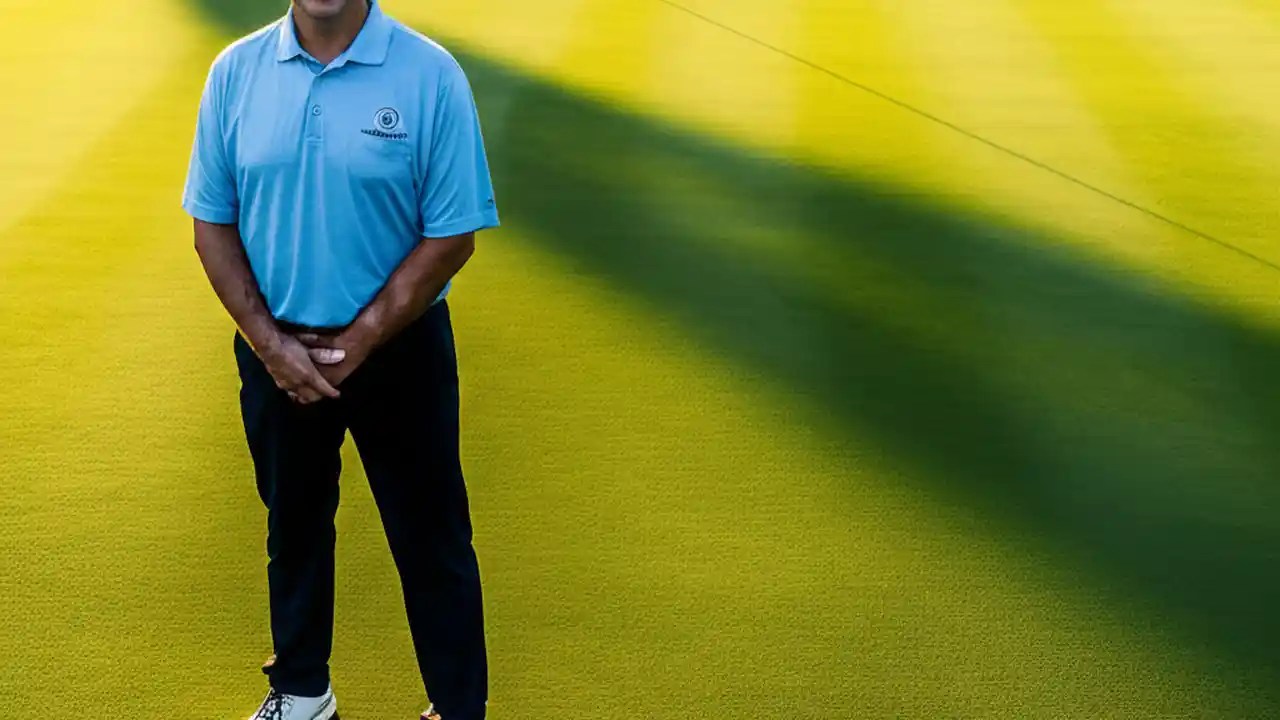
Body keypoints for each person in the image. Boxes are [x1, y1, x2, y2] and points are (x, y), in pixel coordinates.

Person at [182, 0, 499, 718]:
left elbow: (452, 233)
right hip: (276, 352)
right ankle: (301, 692)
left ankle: (456, 706)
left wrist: (362, 338)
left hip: (401, 350)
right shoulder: (235, 73)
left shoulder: (430, 75)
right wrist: (271, 344)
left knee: (431, 534)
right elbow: (211, 221)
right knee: (292, 524)